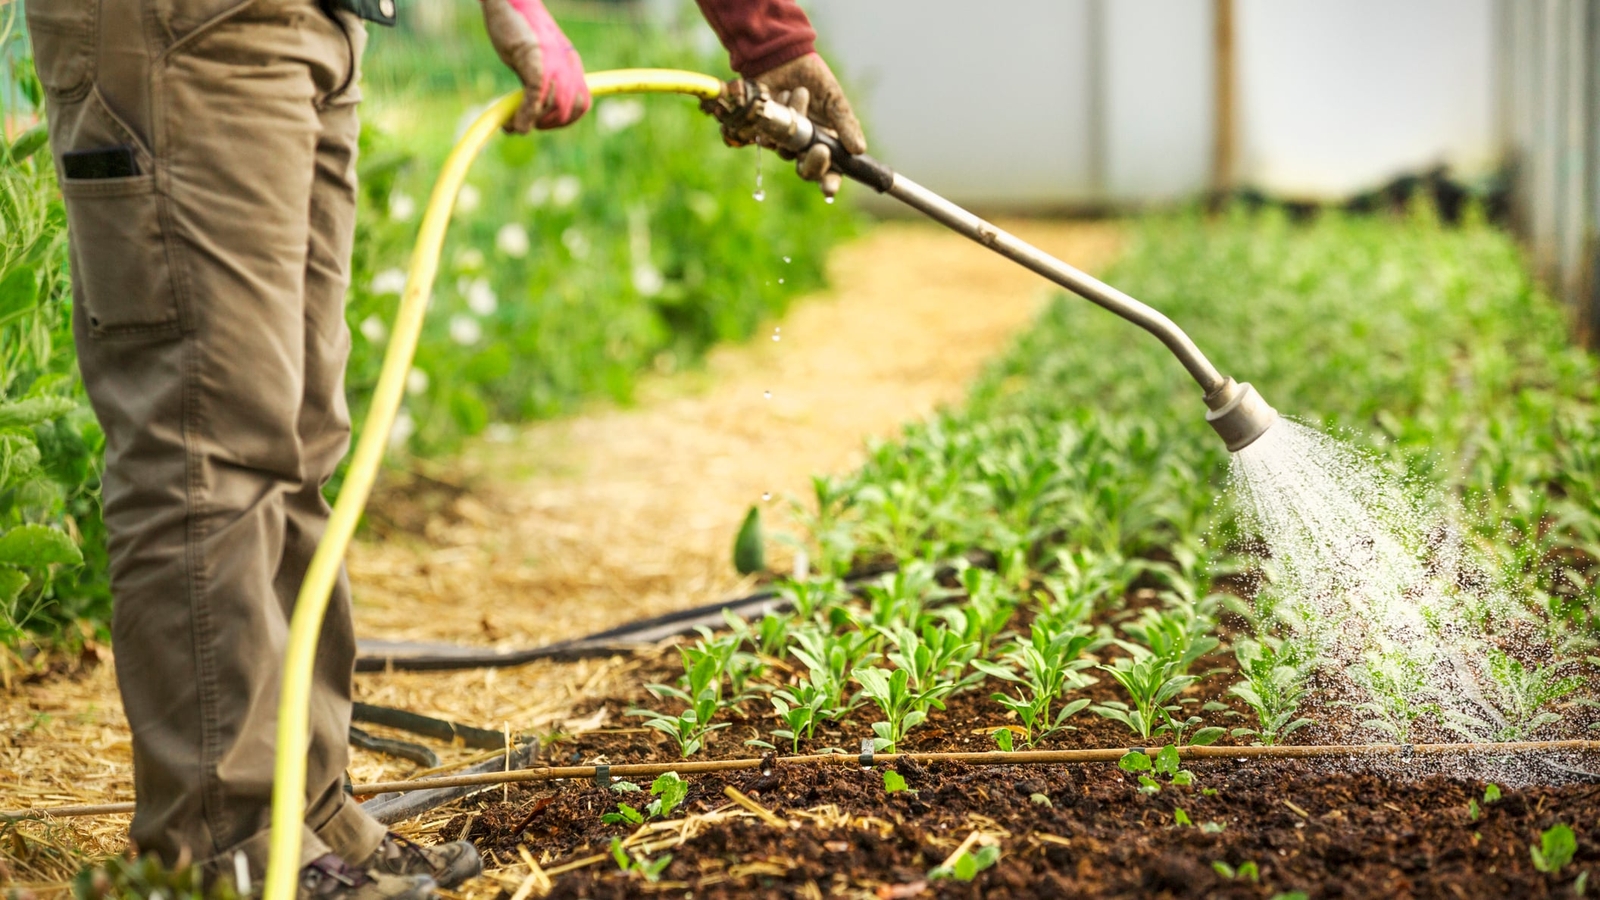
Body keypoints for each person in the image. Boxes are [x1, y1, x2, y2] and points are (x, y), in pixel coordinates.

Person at [23, 0, 864, 896]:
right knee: (212, 437)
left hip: (308, 23)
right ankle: (226, 850)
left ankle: (307, 812)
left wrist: (769, 39)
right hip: (185, 26)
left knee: (295, 439)